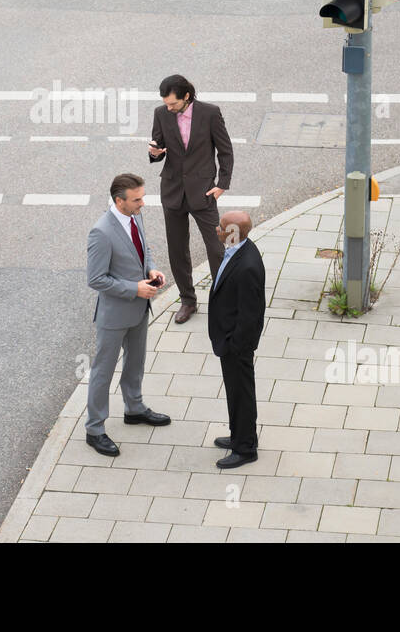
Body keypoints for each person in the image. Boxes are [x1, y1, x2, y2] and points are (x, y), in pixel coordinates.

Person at [84, 173, 171, 456]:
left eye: (142, 197)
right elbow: (96, 279)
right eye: (136, 199)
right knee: (103, 371)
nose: (142, 203)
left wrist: (151, 270)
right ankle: (94, 429)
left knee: (136, 362)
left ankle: (134, 409)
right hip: (114, 314)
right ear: (119, 201)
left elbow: (143, 250)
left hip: (139, 308)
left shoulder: (135, 217)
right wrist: (134, 288)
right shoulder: (101, 232)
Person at [147, 74, 234, 324]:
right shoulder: (161, 114)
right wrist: (154, 152)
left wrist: (222, 185)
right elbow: (158, 147)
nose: (169, 108)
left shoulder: (210, 113)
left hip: (203, 190)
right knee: (177, 250)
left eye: (173, 103)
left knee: (216, 248)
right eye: (166, 103)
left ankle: (222, 300)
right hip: (173, 191)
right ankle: (188, 301)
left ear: (186, 96)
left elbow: (225, 151)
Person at [207, 210, 265, 469]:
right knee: (235, 392)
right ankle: (238, 435)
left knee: (241, 393)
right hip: (230, 341)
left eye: (220, 227)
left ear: (232, 233)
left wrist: (234, 344)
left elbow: (251, 315)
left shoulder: (248, 266)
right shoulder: (237, 251)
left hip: (237, 346)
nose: (216, 229)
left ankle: (245, 448)